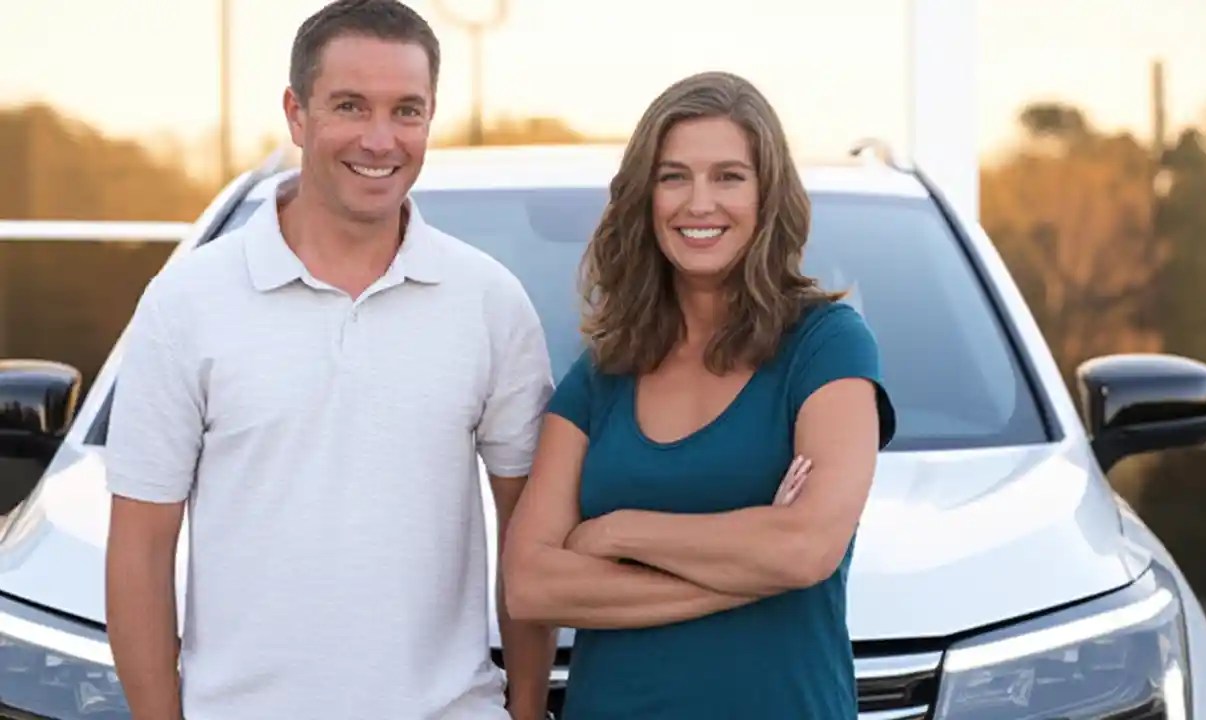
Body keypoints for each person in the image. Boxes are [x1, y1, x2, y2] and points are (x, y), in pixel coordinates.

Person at [103, 1, 556, 718]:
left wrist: (526, 710)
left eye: (407, 111)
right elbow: (138, 551)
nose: (381, 140)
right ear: (297, 112)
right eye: (351, 106)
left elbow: (531, 542)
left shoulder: (490, 302)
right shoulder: (187, 301)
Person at [502, 70, 897, 719]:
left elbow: (805, 548)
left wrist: (616, 531)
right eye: (674, 176)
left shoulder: (827, 347)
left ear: (767, 195)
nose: (699, 202)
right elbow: (530, 586)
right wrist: (753, 568)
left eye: (729, 176)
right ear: (645, 195)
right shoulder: (604, 370)